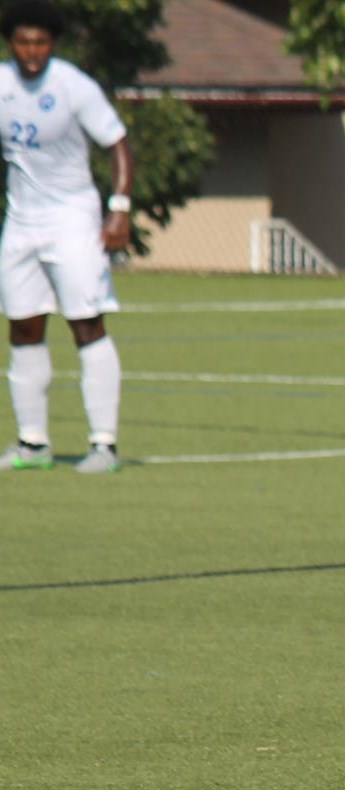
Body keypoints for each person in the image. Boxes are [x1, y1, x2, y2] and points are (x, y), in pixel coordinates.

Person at [0, 0, 131, 474]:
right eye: (23, 42)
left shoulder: (73, 85)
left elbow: (117, 143)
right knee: (23, 326)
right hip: (21, 222)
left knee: (86, 323)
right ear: (11, 44)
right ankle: (33, 444)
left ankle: (103, 444)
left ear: (52, 44)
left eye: (41, 42)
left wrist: (119, 209)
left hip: (72, 219)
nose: (32, 51)